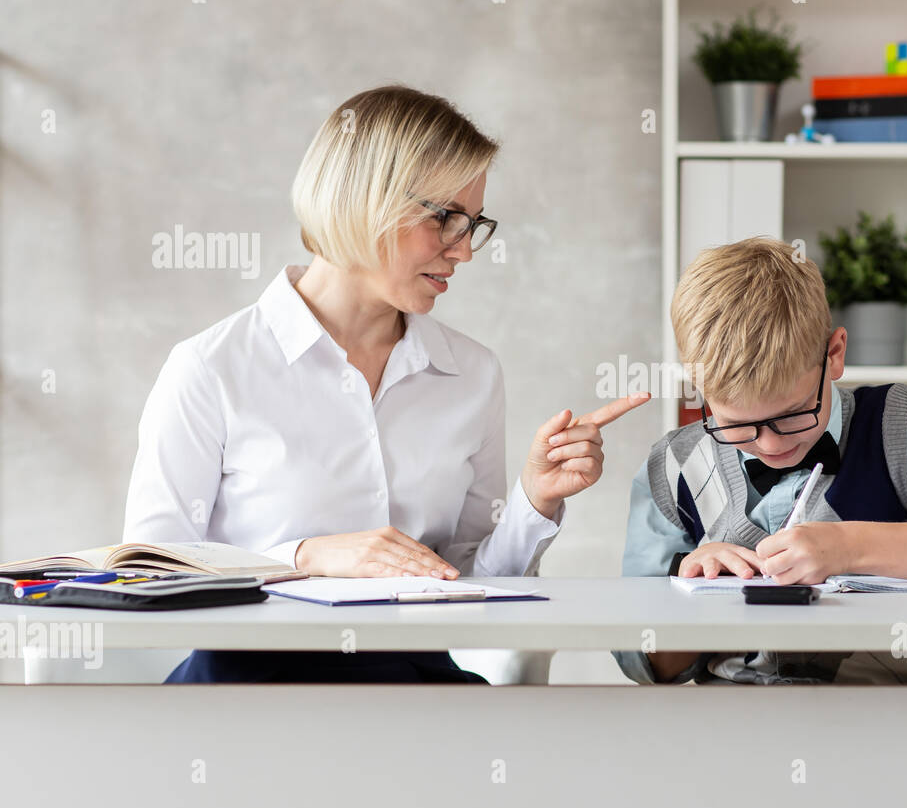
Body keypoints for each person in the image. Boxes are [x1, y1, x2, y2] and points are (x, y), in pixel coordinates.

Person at [123, 85, 648, 683]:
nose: (464, 250)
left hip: (413, 688)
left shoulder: (472, 375)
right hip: (241, 696)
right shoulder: (211, 368)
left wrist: (535, 499)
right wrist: (305, 558)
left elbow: (471, 582)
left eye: (473, 224)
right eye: (445, 218)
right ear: (362, 200)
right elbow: (148, 575)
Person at [614, 237, 907, 685]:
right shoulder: (673, 465)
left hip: (882, 727)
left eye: (792, 414)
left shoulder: (896, 424)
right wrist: (692, 597)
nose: (768, 445)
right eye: (737, 424)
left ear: (834, 355)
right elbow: (642, 662)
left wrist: (846, 547)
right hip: (727, 730)